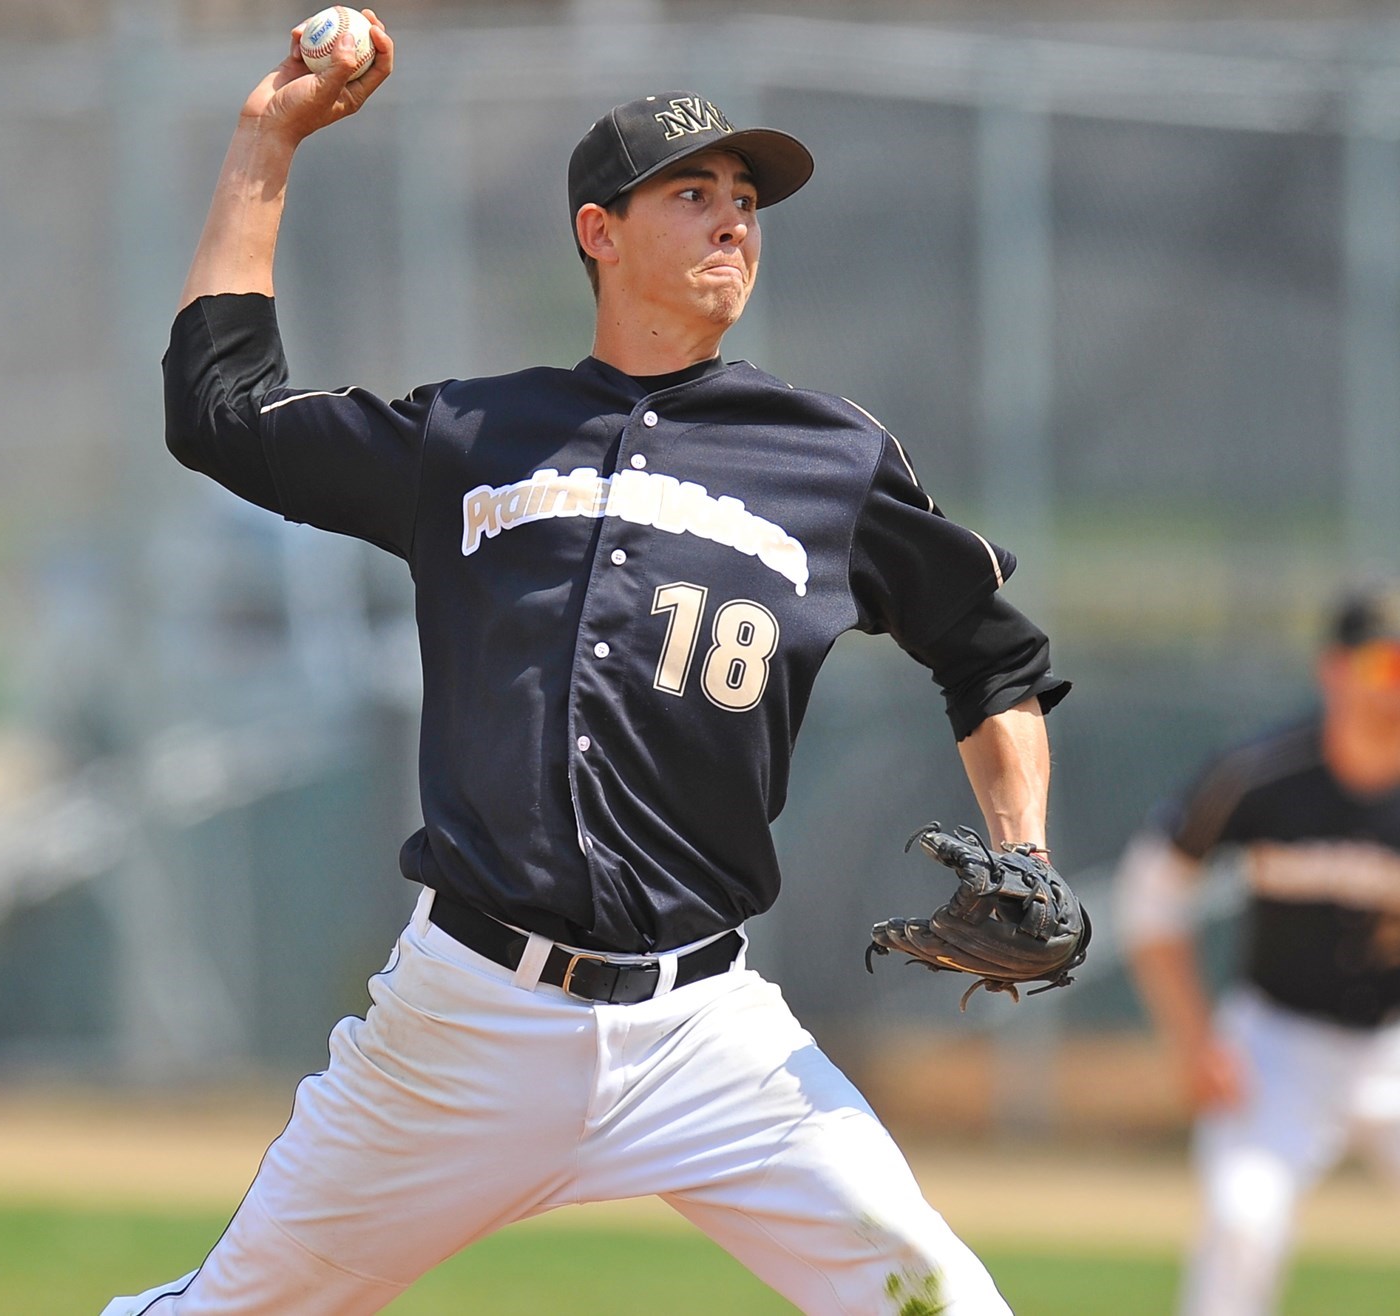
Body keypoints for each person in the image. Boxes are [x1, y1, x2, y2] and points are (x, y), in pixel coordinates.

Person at [103, 12, 1070, 1314]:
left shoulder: (831, 461)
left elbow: (989, 652)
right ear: (598, 231)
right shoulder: (476, 436)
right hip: (468, 1021)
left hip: (707, 1036)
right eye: (694, 193)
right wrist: (266, 137)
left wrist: (1028, 847)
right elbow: (222, 414)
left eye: (746, 199)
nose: (735, 220)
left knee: (950, 1306)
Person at [1115, 583, 1400, 1316]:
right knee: (1243, 1227)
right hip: (1279, 1047)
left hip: (1393, 1046)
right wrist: (1192, 1040)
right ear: (1334, 670)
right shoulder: (1263, 775)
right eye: (1385, 667)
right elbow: (1149, 898)